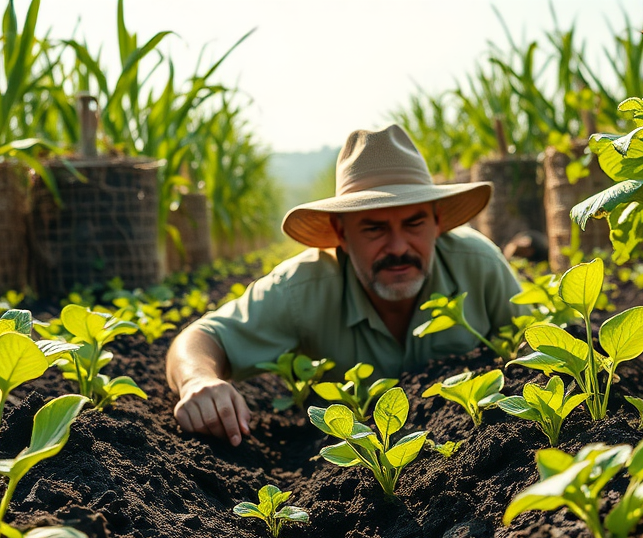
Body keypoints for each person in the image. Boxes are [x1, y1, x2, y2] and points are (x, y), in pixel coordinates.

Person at [166, 124, 525, 445]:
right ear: (341, 234)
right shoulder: (302, 288)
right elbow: (201, 338)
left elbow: (534, 350)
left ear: (437, 221)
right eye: (375, 228)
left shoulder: (479, 265)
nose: (398, 247)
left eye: (414, 224)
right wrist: (198, 380)